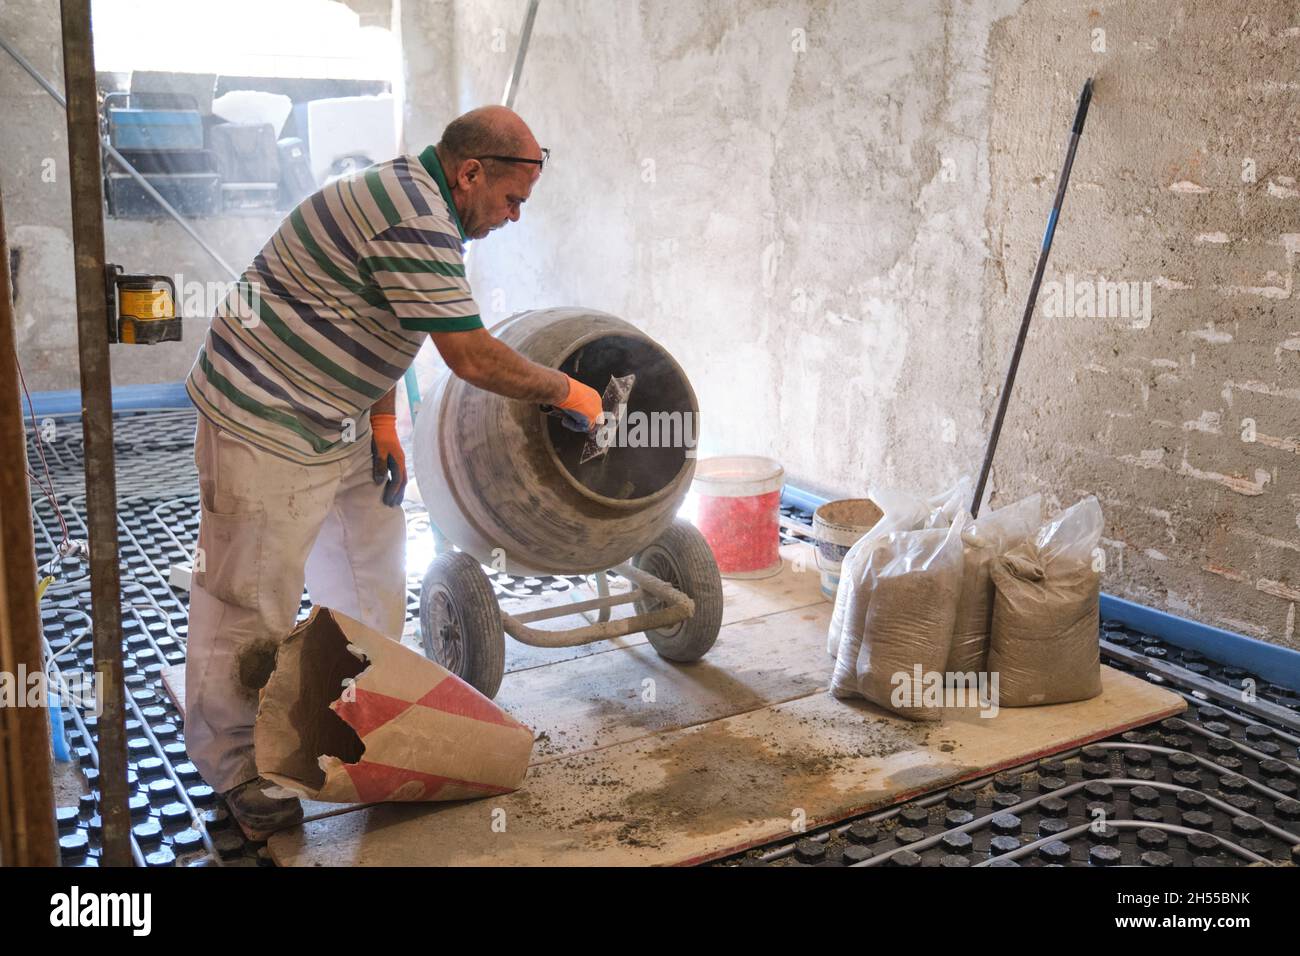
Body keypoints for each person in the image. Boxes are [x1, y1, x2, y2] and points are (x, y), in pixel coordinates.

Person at [182, 105, 601, 838]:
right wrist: (569, 391)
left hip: (335, 414)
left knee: (372, 572)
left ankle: (352, 715)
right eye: (511, 200)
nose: (514, 217)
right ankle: (237, 768)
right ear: (470, 172)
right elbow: (470, 356)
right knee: (248, 598)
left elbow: (384, 314)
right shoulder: (412, 214)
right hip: (265, 414)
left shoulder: (428, 203)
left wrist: (380, 422)